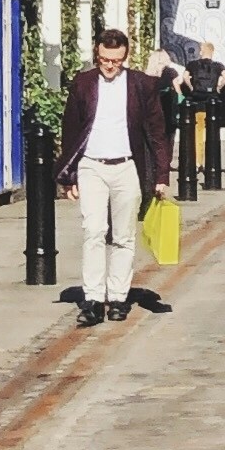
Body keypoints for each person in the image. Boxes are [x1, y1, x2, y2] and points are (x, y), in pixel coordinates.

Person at [56, 25, 172, 328]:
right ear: (97, 54)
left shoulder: (141, 85)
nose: (110, 66)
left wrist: (161, 174)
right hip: (91, 166)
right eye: (105, 60)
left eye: (116, 61)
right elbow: (70, 130)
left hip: (127, 166)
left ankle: (119, 298)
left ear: (125, 57)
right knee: (93, 231)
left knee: (123, 236)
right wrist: (68, 176)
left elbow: (157, 132)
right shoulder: (83, 84)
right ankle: (93, 300)